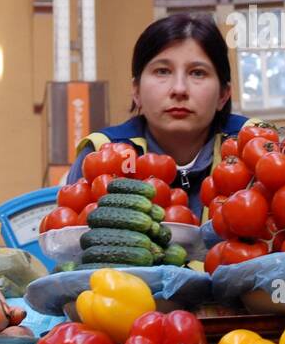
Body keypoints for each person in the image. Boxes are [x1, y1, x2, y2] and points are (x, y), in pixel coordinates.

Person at [64, 14, 257, 219]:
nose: (179, 89)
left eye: (198, 73)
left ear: (223, 94)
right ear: (136, 91)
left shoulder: (252, 145)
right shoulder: (101, 154)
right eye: (162, 71)